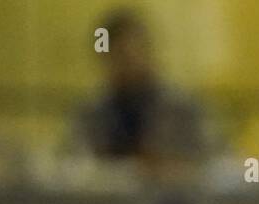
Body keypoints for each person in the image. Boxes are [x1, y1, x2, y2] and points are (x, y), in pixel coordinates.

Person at [66, 9, 213, 176]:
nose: (126, 63)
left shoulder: (182, 108)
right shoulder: (91, 112)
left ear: (149, 52)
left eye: (131, 53)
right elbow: (72, 163)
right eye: (116, 55)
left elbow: (215, 164)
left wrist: (175, 168)